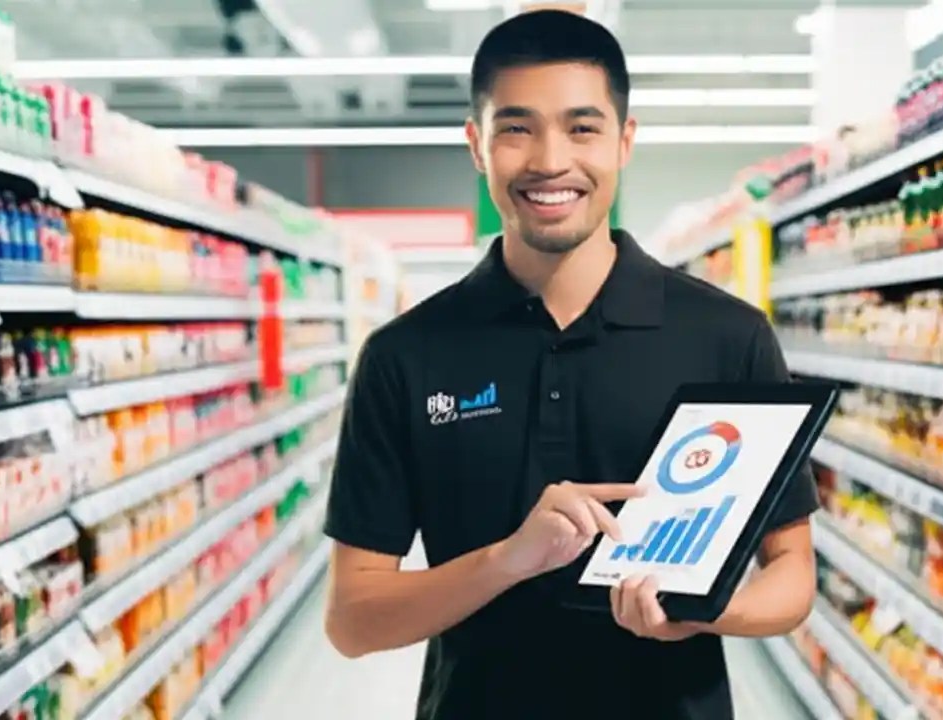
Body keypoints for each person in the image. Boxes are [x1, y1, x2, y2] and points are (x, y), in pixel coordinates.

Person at [323, 9, 818, 720]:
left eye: (582, 128)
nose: (551, 160)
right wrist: (509, 559)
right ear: (477, 145)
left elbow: (793, 573)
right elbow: (352, 618)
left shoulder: (726, 335)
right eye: (517, 128)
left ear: (624, 141)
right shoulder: (406, 354)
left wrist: (707, 611)